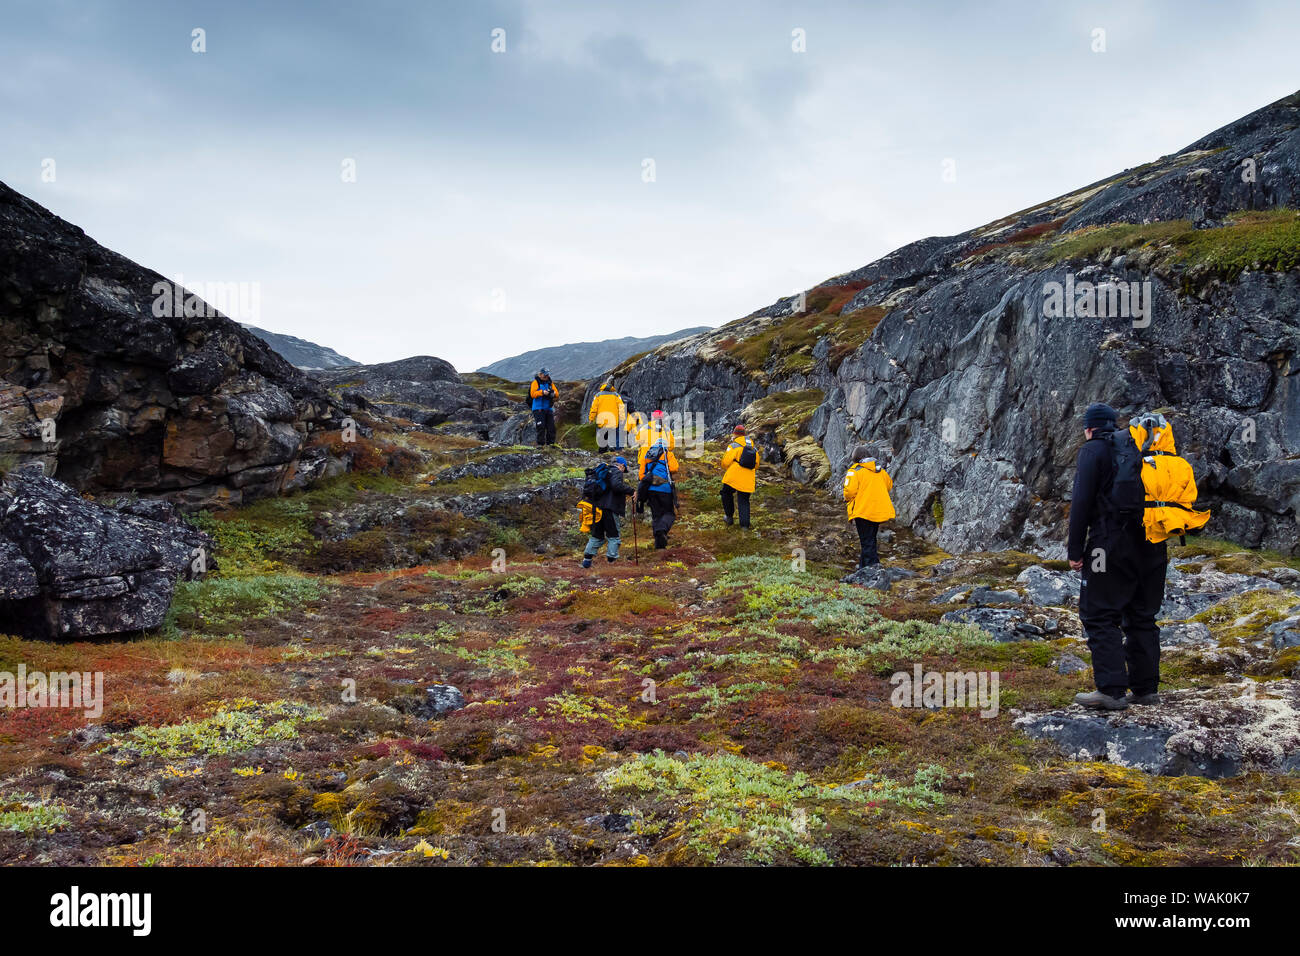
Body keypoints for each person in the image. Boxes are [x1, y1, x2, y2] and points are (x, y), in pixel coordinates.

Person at [1068, 402, 1169, 711]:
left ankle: (1111, 691)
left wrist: (1075, 551)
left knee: (1099, 613)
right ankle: (1146, 689)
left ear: (1089, 428)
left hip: (1107, 547)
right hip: (1154, 543)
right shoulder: (1143, 449)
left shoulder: (1093, 451)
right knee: (1142, 616)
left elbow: (1081, 503)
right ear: (1114, 424)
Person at [842, 444, 895, 568]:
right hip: (877, 510)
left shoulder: (854, 471)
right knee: (870, 539)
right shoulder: (880, 470)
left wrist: (848, 500)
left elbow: (849, 492)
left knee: (866, 541)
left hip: (862, 511)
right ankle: (864, 567)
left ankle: (872, 569)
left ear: (855, 458)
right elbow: (889, 485)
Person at [582, 455, 633, 567]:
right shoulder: (616, 472)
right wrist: (631, 491)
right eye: (624, 469)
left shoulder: (600, 472)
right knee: (613, 536)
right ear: (622, 466)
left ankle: (587, 560)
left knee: (596, 535)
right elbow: (616, 486)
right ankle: (611, 562)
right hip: (610, 509)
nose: (623, 471)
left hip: (595, 509)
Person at [635, 439, 677, 549]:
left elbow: (641, 475)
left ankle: (659, 545)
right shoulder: (668, 454)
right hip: (664, 489)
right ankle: (661, 530)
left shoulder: (646, 455)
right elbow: (674, 468)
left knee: (656, 515)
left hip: (650, 490)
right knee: (669, 513)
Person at [719, 425, 759, 528]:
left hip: (733, 477)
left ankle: (729, 517)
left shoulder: (733, 446)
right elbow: (757, 464)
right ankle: (744, 527)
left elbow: (725, 462)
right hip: (748, 479)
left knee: (726, 493)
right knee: (744, 501)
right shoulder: (753, 448)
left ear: (735, 434)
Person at [588, 381, 627, 450]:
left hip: (601, 420)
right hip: (613, 420)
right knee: (612, 434)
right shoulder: (616, 395)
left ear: (602, 387)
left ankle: (602, 451)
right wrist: (622, 418)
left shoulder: (598, 395)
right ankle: (612, 448)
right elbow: (621, 408)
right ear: (611, 388)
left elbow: (594, 408)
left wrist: (591, 418)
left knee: (603, 436)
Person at [529, 368, 558, 446]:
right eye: (545, 374)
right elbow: (533, 394)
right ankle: (540, 445)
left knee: (551, 427)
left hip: (548, 408)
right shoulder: (535, 382)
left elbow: (557, 394)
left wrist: (553, 393)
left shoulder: (550, 383)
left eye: (548, 374)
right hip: (538, 409)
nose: (547, 376)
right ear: (540, 374)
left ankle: (551, 445)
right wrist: (542, 392)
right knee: (541, 427)